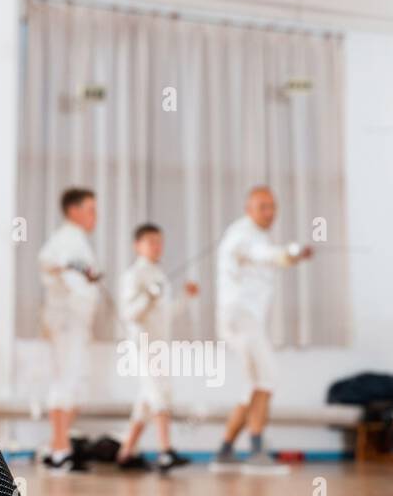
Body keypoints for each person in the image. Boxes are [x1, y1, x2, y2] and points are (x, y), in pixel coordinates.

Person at [211, 186, 314, 472]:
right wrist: (291, 250)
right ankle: (257, 452)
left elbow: (271, 256)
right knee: (267, 378)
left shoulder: (257, 235)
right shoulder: (242, 235)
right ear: (249, 208)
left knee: (252, 386)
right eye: (263, 206)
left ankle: (225, 450)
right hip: (241, 318)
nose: (270, 212)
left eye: (272, 206)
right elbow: (262, 254)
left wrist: (292, 256)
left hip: (244, 320)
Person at [115, 223, 197, 473]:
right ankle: (165, 452)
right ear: (137, 245)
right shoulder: (133, 276)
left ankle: (126, 453)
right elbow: (129, 314)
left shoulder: (159, 276)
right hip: (141, 344)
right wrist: (149, 296)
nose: (156, 246)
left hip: (159, 344)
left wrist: (186, 298)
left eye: (159, 241)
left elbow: (166, 315)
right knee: (160, 394)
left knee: (146, 401)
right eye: (151, 241)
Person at [38, 187, 102, 473]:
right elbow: (49, 264)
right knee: (66, 380)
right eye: (90, 209)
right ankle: (60, 450)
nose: (95, 216)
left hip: (72, 321)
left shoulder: (74, 240)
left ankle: (56, 447)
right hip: (67, 320)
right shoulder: (68, 239)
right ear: (73, 210)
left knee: (74, 381)